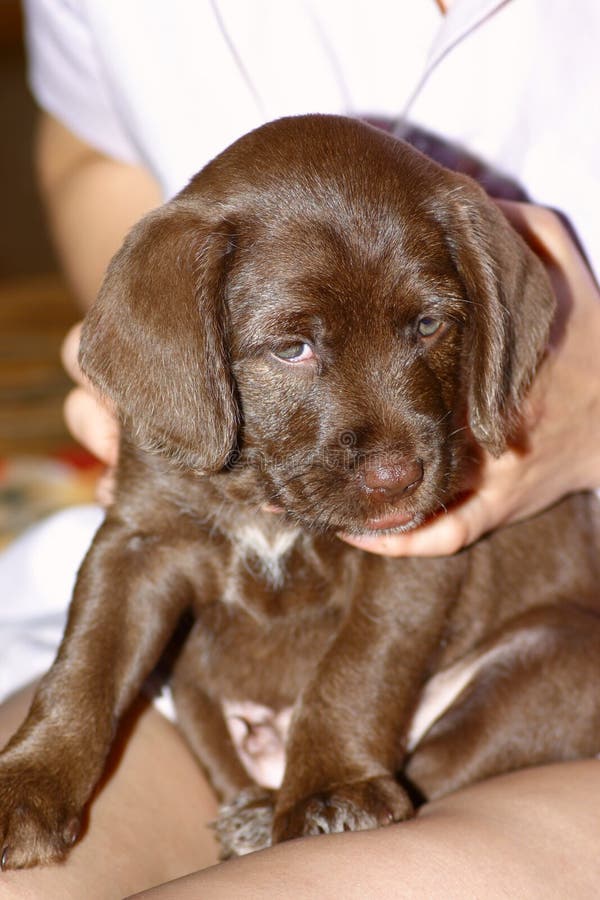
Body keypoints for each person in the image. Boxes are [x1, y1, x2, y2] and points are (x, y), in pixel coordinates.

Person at [0, 1, 598, 896]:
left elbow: (420, 562)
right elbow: (92, 156)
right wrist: (166, 379)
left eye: (426, 323)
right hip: (229, 689)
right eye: (296, 345)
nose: (396, 458)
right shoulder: (197, 355)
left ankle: (335, 791)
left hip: (492, 695)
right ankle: (261, 791)